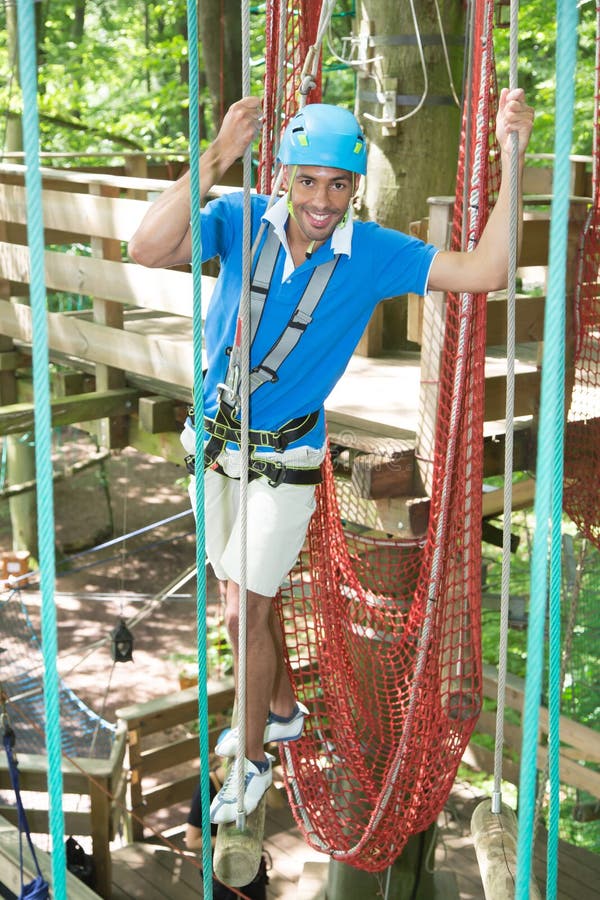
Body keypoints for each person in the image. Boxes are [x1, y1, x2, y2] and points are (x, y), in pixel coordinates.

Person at [128, 88, 534, 824]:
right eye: (308, 179)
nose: (322, 199)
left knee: (250, 607)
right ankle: (281, 707)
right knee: (234, 603)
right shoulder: (241, 218)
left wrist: (511, 153)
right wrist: (219, 153)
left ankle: (250, 762)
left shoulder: (372, 254)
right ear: (285, 175)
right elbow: (147, 247)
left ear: (354, 189)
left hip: (284, 466)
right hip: (215, 448)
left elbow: (485, 272)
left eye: (338, 184)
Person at [185, 772, 269, 899]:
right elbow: (192, 841)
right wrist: (234, 840)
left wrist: (266, 775)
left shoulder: (251, 779)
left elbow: (277, 803)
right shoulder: (207, 788)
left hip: (250, 857)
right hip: (220, 863)